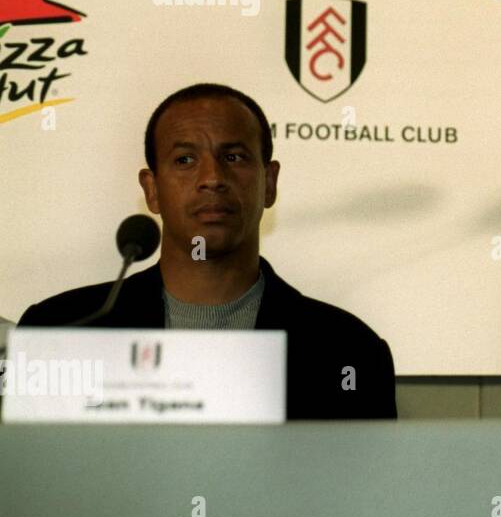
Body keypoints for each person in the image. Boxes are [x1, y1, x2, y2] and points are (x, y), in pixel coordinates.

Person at [20, 83, 397, 420]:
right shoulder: (62, 330)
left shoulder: (348, 350)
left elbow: (360, 494)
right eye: (185, 160)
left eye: (233, 157)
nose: (213, 178)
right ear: (151, 190)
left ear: (269, 183)